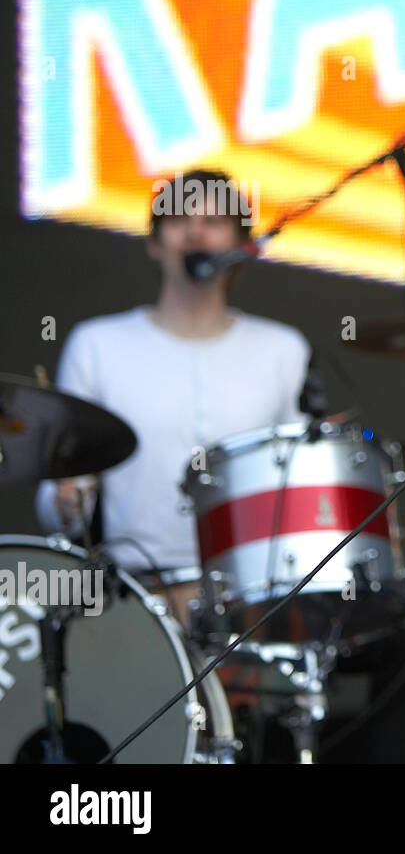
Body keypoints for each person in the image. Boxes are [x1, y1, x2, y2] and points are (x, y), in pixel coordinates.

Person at [36, 169, 311, 624]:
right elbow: (58, 505)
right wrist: (66, 498)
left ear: (242, 247)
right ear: (154, 241)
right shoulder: (97, 344)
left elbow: (297, 483)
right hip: (132, 600)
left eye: (215, 220)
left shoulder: (284, 349)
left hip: (253, 601)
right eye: (180, 217)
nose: (196, 230)